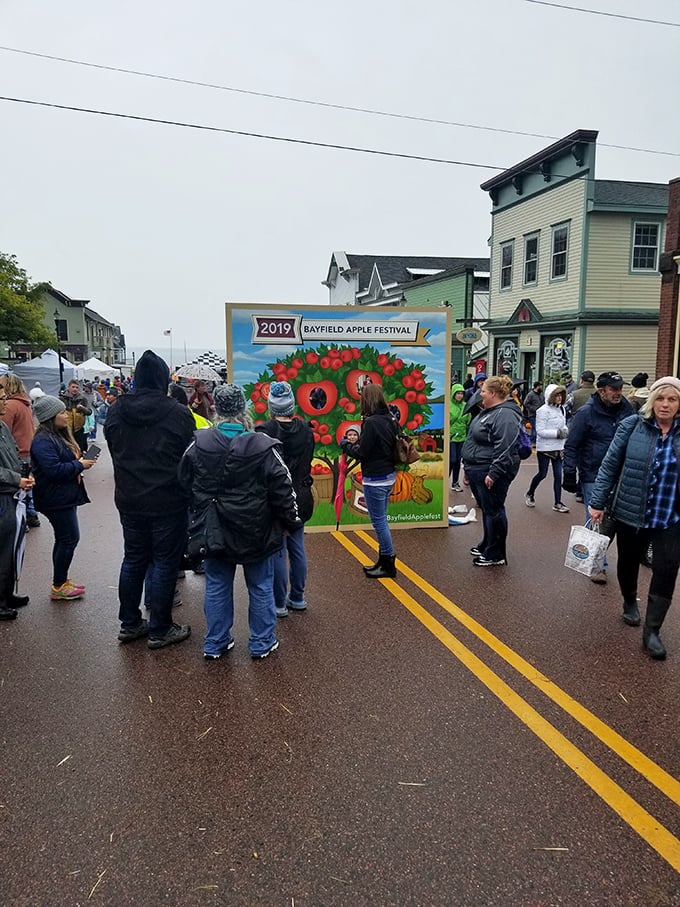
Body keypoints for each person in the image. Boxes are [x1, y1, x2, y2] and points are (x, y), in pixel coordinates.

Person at [180, 384, 301, 659]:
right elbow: (283, 487)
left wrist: (196, 512)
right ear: (243, 408)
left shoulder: (199, 443)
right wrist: (290, 522)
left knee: (217, 584)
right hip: (255, 527)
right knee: (259, 586)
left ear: (216, 409)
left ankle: (216, 642)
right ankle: (261, 642)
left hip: (213, 527)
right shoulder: (262, 446)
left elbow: (184, 482)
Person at [105, 350, 195, 649]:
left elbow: (113, 444)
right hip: (168, 498)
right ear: (161, 379)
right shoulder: (177, 412)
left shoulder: (117, 410)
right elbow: (189, 453)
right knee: (165, 562)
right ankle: (160, 628)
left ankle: (129, 623)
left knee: (133, 559)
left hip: (129, 496)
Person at [589, 378, 680, 660]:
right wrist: (597, 501)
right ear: (652, 400)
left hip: (670, 517)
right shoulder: (632, 425)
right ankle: (630, 600)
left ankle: (652, 631)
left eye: (672, 399)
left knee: (666, 570)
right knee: (628, 561)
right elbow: (610, 464)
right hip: (631, 512)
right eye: (661, 398)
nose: (665, 404)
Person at [563, 371, 634, 584]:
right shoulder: (586, 413)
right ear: (601, 391)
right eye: (614, 389)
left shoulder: (627, 409)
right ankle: (598, 565)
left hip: (622, 473)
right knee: (596, 517)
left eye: (620, 388)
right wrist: (569, 472)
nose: (618, 393)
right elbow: (572, 444)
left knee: (620, 519)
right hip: (594, 472)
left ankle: (616, 561)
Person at [256, 381, 315, 618]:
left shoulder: (264, 432)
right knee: (298, 546)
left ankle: (279, 603)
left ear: (271, 405)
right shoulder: (307, 431)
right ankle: (298, 597)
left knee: (278, 550)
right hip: (301, 495)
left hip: (274, 497)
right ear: (292, 404)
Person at [30, 396, 96, 600]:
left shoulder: (53, 437)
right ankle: (58, 585)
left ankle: (60, 581)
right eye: (60, 413)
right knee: (69, 538)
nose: (65, 415)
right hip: (55, 498)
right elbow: (53, 470)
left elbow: (59, 463)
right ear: (50, 416)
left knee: (64, 538)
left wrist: (78, 459)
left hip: (61, 496)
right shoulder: (42, 441)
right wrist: (79, 465)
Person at [462, 375, 522, 567]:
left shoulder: (505, 415)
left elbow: (505, 446)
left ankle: (496, 554)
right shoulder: (489, 411)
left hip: (490, 469)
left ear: (494, 393)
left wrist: (494, 473)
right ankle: (487, 544)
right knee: (488, 510)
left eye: (484, 391)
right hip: (478, 467)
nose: (481, 394)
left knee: (494, 510)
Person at [340, 384, 399, 579]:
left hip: (375, 478)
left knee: (379, 522)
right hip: (389, 475)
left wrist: (345, 445)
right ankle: (382, 561)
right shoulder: (391, 418)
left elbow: (362, 453)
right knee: (382, 519)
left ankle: (389, 562)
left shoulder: (371, 423)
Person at [0, 388, 34, 620]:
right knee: (3, 549)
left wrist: (25, 475)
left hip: (13, 493)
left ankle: (7, 592)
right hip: (3, 494)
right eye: (2, 398)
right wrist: (15, 479)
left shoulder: (2, 427)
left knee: (13, 547)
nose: (5, 402)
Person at [0, 373, 40, 526]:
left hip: (17, 452)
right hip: (25, 449)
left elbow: (7, 430)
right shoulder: (24, 403)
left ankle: (26, 514)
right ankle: (29, 514)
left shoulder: (10, 406)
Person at [525, 384, 570, 513]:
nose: (559, 397)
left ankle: (557, 502)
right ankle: (530, 493)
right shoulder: (542, 411)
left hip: (559, 447)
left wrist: (565, 431)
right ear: (550, 396)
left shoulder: (562, 409)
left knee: (558, 475)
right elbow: (540, 431)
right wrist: (558, 433)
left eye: (561, 395)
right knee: (542, 474)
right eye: (556, 395)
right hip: (545, 448)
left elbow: (564, 424)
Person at [60, 379, 92, 454]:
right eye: (73, 387)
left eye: (77, 387)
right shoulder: (62, 399)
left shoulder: (83, 399)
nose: (75, 389)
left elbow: (89, 412)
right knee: (68, 452)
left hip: (79, 430)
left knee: (82, 451)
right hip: (65, 430)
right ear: (68, 387)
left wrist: (82, 408)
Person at [449, 382, 470, 492]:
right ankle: (446, 479)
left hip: (462, 437)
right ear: (453, 394)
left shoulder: (466, 406)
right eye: (458, 393)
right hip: (451, 437)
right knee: (451, 460)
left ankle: (455, 482)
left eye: (462, 393)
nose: (460, 396)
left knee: (458, 461)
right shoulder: (449, 406)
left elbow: (468, 421)